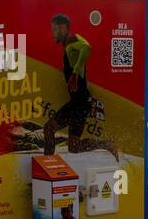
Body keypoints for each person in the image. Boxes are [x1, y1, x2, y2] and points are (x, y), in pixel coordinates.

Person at [42, 15, 116, 158]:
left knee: (49, 129)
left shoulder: (71, 44)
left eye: (55, 29)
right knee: (73, 147)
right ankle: (105, 144)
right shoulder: (71, 45)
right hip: (80, 102)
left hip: (80, 102)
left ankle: (47, 166)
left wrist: (75, 74)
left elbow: (87, 48)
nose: (53, 33)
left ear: (63, 28)